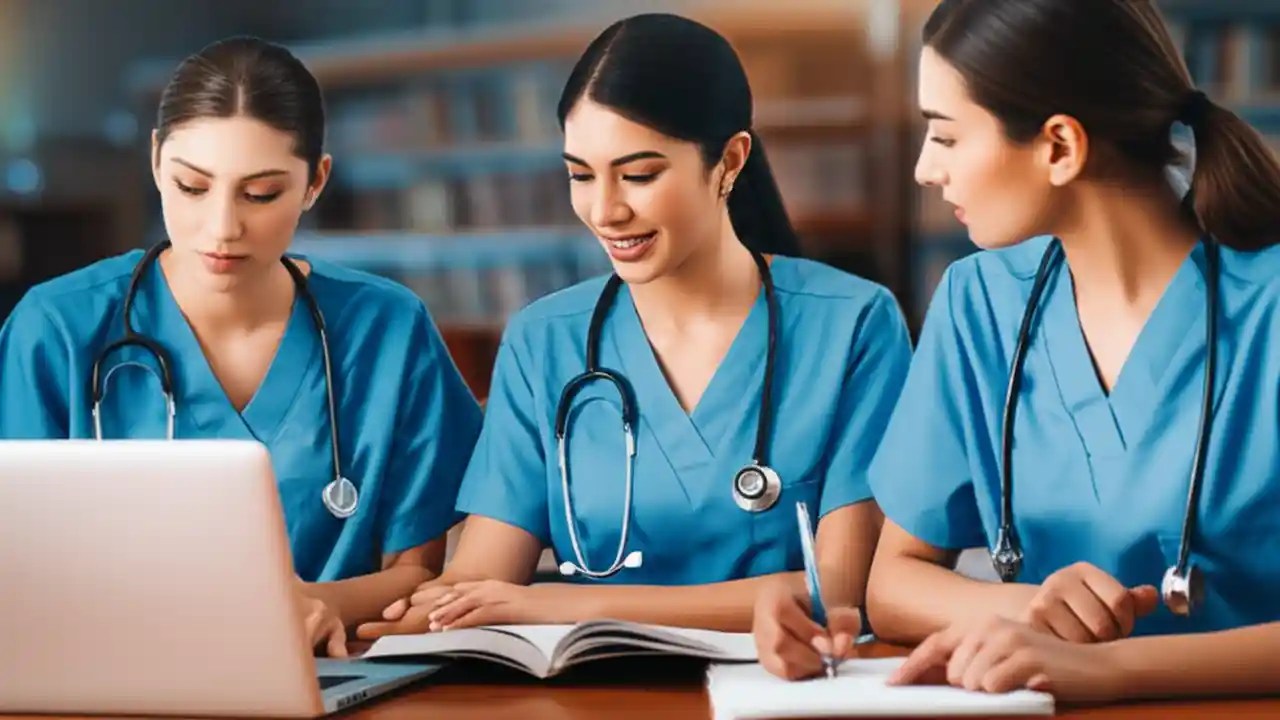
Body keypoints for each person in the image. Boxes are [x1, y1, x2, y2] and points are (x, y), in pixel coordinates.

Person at [755, 0, 1280, 700]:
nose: (923, 170)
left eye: (944, 136)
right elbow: (895, 581)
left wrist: (1103, 670)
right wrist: (1029, 614)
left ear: (1060, 146)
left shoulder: (1267, 308)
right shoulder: (980, 301)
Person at [356, 13, 911, 640]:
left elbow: (837, 587)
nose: (605, 210)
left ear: (729, 160)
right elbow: (483, 577)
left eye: (640, 175)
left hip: (777, 689)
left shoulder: (853, 324)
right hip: (589, 691)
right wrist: (344, 610)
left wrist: (573, 605)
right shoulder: (546, 339)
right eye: (580, 175)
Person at [0, 37, 482, 655]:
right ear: (155, 161)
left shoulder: (387, 329)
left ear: (316, 182)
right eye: (192, 187)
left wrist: (314, 605)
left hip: (330, 675)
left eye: (260, 194)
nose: (222, 227)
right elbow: (19, 570)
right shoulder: (57, 328)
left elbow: (417, 572)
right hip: (104, 672)